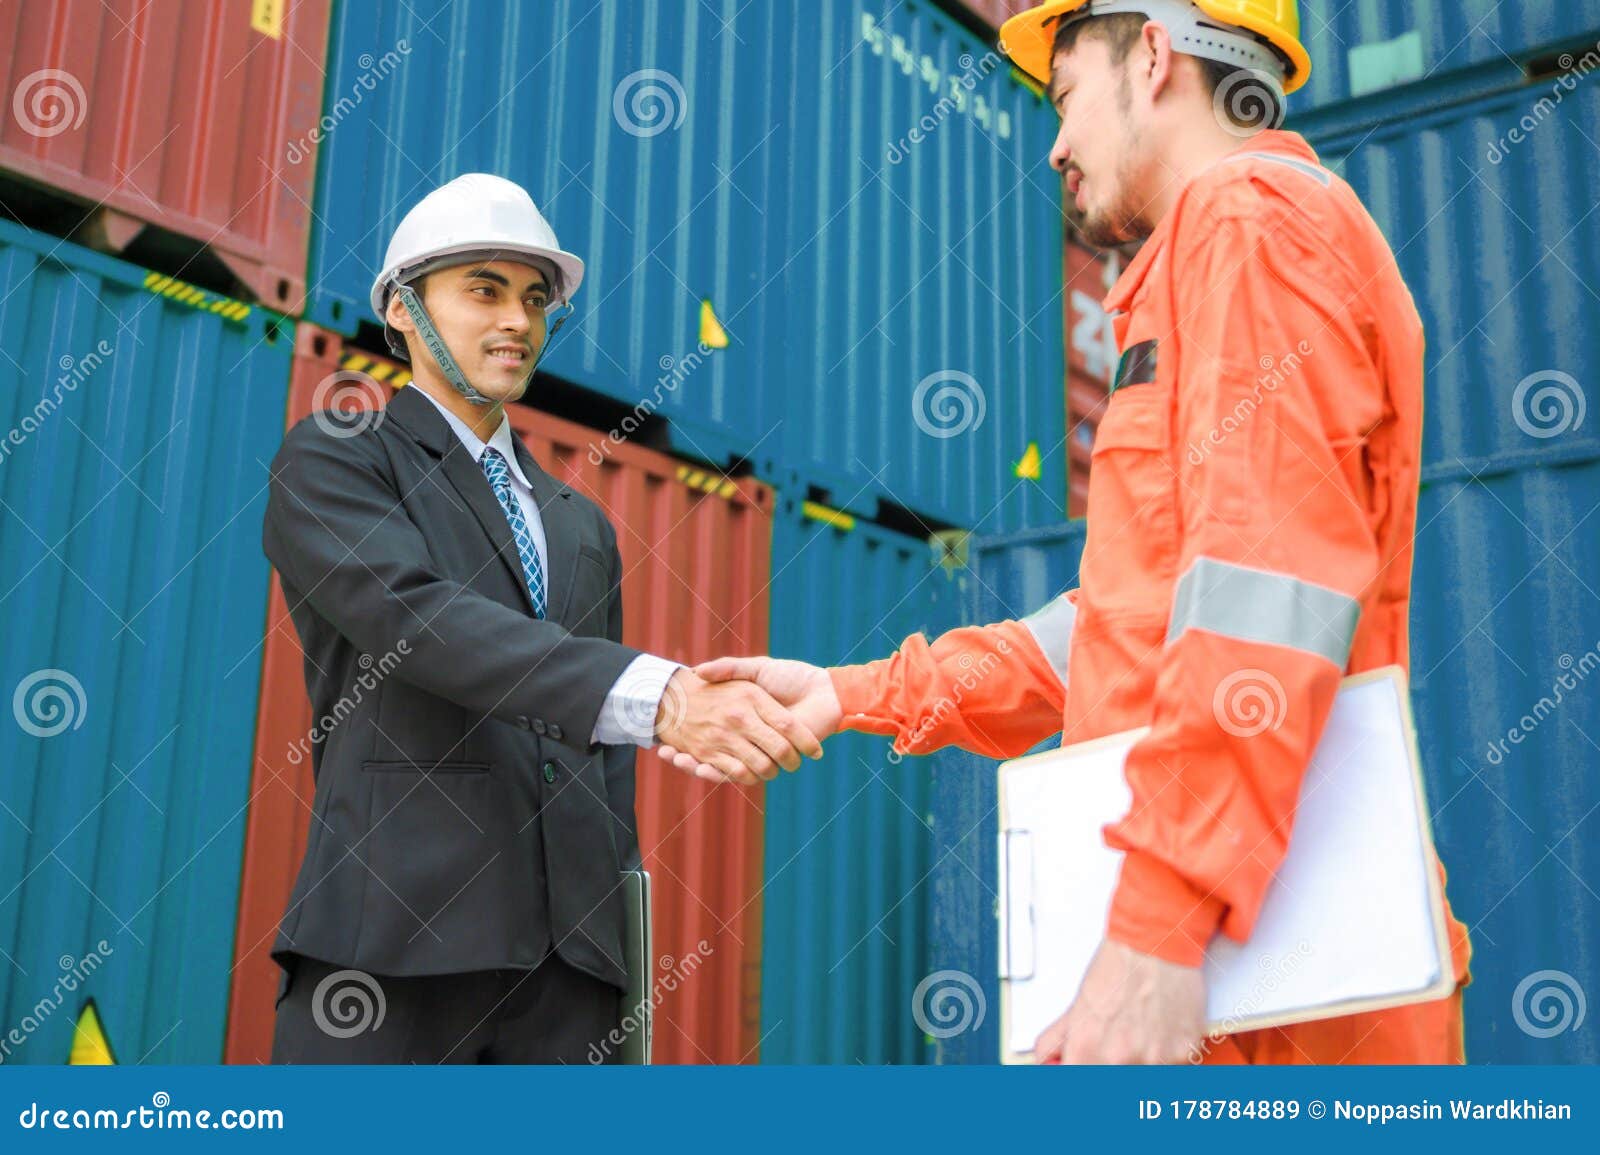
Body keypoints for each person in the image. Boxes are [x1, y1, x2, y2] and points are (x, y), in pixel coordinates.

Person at [662, 0, 1473, 1064]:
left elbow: (1265, 587)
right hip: (1246, 956)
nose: (1053, 146)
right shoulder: (1212, 252)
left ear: (1154, 54)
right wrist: (849, 693)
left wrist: (1158, 926)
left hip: (1266, 989)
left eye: (1064, 96)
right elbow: (1120, 626)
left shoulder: (1250, 221)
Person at [262, 173, 820, 1063]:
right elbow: (416, 618)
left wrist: (616, 955)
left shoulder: (579, 523)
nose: (518, 321)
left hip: (570, 982)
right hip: (395, 954)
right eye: (484, 291)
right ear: (402, 307)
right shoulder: (338, 457)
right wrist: (664, 695)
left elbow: (599, 754)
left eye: (533, 299)